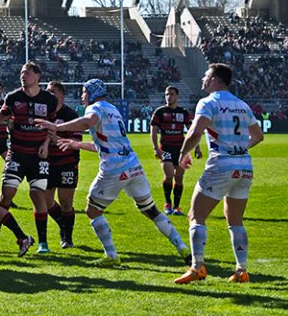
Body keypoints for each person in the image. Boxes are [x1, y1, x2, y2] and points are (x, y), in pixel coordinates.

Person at [42, 79, 189, 268]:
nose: (82, 96)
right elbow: (106, 143)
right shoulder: (113, 109)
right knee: (151, 210)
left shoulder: (95, 108)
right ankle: (182, 247)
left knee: (93, 210)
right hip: (134, 166)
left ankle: (111, 255)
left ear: (92, 93)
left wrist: (57, 127)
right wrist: (77, 144)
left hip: (114, 169)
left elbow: (88, 122)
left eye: (84, 92)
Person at [175, 63, 264, 285]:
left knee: (196, 215)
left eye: (206, 76)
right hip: (244, 166)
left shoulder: (208, 102)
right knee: (235, 219)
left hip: (221, 165)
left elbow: (196, 132)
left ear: (215, 79)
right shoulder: (241, 105)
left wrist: (183, 154)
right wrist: (239, 148)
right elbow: (259, 136)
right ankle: (242, 270)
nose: (203, 80)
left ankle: (197, 268)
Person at [0, 62, 57, 254]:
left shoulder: (49, 99)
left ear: (37, 76)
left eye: (28, 73)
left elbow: (52, 125)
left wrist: (47, 144)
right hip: (17, 153)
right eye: (22, 72)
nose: (23, 76)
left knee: (38, 195)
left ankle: (43, 243)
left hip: (38, 156)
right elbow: (1, 115)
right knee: (7, 194)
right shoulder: (14, 97)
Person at [150, 86, 200, 216]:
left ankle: (177, 207)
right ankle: (168, 203)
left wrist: (197, 147)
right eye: (167, 94)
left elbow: (192, 131)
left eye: (171, 94)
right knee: (169, 175)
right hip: (166, 148)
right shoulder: (160, 112)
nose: (169, 96)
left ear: (177, 96)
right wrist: (156, 148)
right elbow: (154, 131)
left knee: (179, 178)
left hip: (181, 150)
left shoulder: (183, 112)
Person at [44, 80, 82, 249]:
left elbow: (76, 141)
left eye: (52, 92)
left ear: (61, 95)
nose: (48, 94)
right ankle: (63, 224)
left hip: (67, 163)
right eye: (47, 91)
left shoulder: (71, 115)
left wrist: (57, 139)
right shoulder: (43, 114)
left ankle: (67, 237)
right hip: (46, 163)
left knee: (66, 203)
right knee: (45, 202)